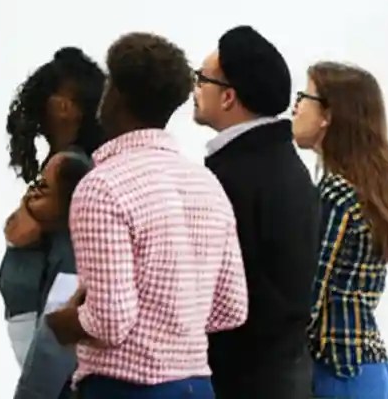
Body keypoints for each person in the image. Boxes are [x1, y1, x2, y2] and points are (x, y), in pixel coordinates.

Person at [44, 31, 248, 399]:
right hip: (196, 385)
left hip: (124, 387)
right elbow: (231, 308)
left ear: (116, 95)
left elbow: (109, 321)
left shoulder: (102, 187)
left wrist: (64, 323)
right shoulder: (206, 184)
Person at [192, 26, 320, 399]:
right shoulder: (281, 161)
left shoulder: (236, 175)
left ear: (229, 97)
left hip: (245, 378)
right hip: (282, 372)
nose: (194, 89)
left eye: (202, 79)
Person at [0, 48, 106, 399]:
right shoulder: (90, 161)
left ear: (64, 107)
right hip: (53, 315)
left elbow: (20, 230)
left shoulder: (67, 164)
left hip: (49, 317)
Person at [292, 61, 388, 399]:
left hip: (339, 373)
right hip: (368, 367)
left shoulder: (336, 194)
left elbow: (311, 294)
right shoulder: (364, 189)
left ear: (328, 115)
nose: (294, 107)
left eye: (305, 97)